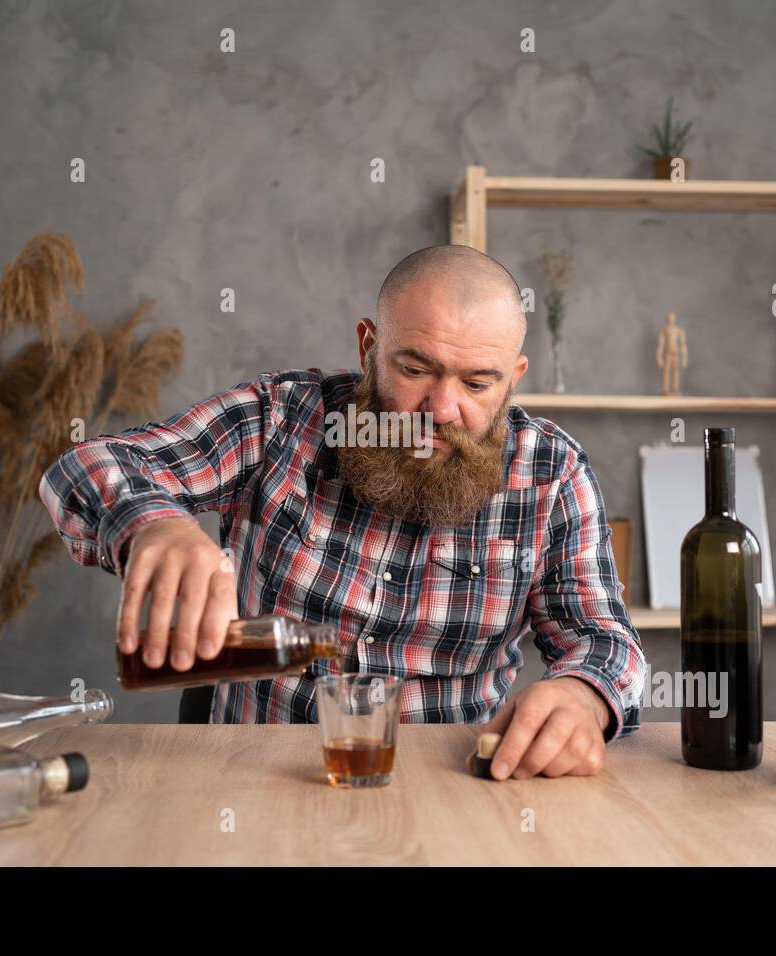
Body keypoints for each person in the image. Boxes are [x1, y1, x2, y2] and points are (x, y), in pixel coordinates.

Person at [40, 244, 646, 779]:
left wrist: (583, 696)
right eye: (415, 369)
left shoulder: (551, 472)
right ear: (368, 347)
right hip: (252, 784)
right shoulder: (282, 419)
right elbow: (88, 465)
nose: (442, 408)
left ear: (512, 379)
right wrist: (155, 523)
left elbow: (604, 639)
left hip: (455, 792)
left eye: (478, 384)